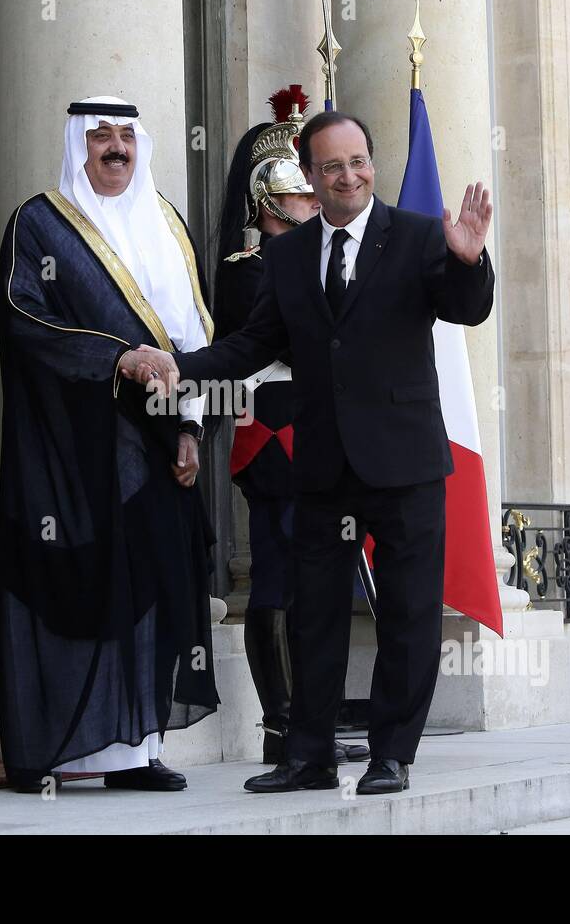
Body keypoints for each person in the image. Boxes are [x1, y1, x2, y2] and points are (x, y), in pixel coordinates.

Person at [120, 110, 495, 795]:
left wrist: (469, 260)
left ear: (371, 166)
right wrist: (180, 368)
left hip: (406, 462)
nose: (347, 176)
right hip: (322, 465)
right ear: (312, 179)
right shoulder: (286, 257)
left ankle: (391, 754)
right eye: (331, 167)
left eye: (357, 162)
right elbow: (252, 344)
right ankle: (309, 756)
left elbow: (464, 308)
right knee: (312, 613)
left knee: (408, 615)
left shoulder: (414, 237)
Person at [0, 96, 220, 793]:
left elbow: (194, 339)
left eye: (126, 136)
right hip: (69, 443)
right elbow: (23, 317)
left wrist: (189, 426)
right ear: (78, 146)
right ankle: (64, 750)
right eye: (100, 138)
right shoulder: (40, 224)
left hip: (153, 439)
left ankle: (135, 748)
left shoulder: (166, 225)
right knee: (74, 582)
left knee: (150, 583)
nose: (115, 149)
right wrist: (118, 358)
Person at [214, 87, 366, 767]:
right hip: (276, 429)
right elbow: (290, 342)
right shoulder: (250, 270)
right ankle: (282, 722)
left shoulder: (325, 259)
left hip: (326, 427)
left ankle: (314, 717)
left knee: (319, 581)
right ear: (269, 201)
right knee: (277, 578)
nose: (315, 202)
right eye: (302, 195)